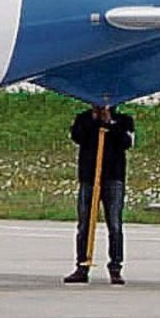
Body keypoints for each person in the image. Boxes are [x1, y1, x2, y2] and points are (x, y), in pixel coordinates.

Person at [63, 103, 135, 285]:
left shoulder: (124, 121)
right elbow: (77, 136)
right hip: (89, 177)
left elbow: (126, 142)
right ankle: (82, 266)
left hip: (113, 176)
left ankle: (115, 267)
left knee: (115, 224)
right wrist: (94, 120)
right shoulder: (84, 119)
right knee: (84, 224)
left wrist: (109, 122)